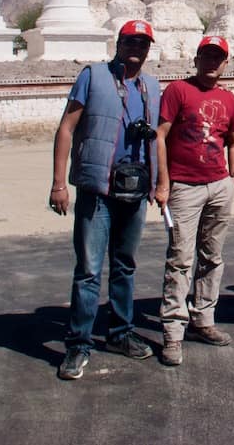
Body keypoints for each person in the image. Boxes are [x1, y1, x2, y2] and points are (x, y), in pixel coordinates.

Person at [49, 20, 161, 380]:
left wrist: (160, 183)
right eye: (130, 41)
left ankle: (120, 333)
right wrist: (58, 184)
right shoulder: (93, 76)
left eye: (143, 44)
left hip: (135, 190)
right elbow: (67, 127)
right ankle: (79, 343)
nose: (136, 49)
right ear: (118, 42)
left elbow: (158, 138)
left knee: (125, 265)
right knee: (89, 270)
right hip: (97, 190)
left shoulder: (152, 86)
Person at [154, 35, 234, 367]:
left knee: (213, 256)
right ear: (196, 59)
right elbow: (160, 136)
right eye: (206, 56)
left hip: (218, 185)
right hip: (184, 187)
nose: (212, 63)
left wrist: (233, 177)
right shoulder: (179, 90)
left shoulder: (228, 99)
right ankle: (173, 332)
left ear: (225, 63)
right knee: (180, 259)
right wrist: (163, 182)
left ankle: (203, 319)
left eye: (217, 58)